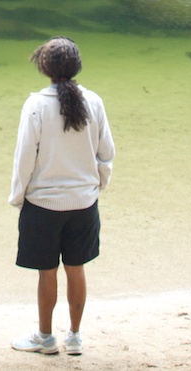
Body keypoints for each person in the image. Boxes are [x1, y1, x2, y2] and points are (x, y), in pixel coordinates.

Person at [10, 37, 115, 357]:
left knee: (47, 271)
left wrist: (17, 195)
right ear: (77, 66)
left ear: (45, 69)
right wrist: (97, 187)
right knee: (76, 267)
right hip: (83, 203)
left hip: (43, 204)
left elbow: (24, 157)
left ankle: (45, 337)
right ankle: (74, 337)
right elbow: (106, 153)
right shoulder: (93, 101)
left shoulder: (36, 105)